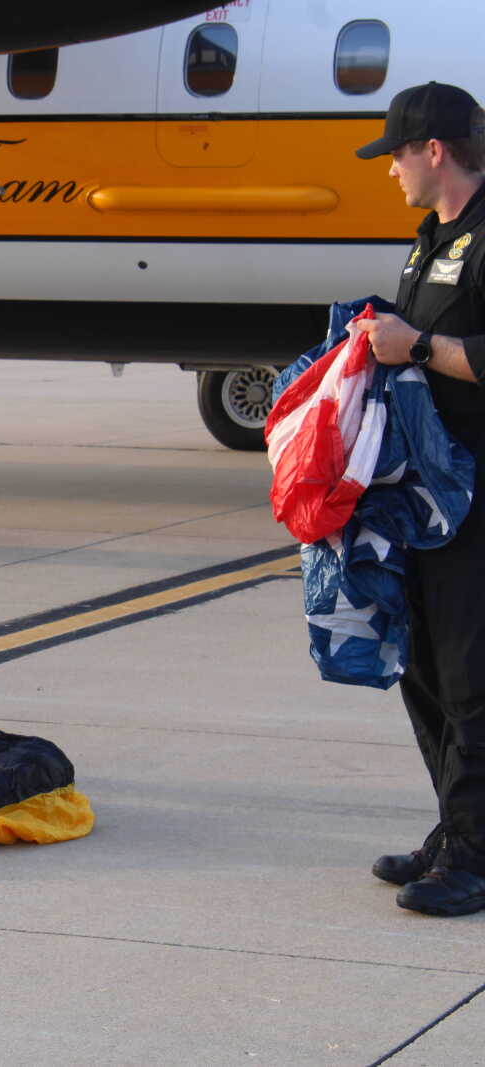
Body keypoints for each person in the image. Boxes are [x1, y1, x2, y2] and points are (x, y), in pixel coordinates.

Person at [350, 82, 485, 916]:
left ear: (433, 151)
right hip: (428, 496)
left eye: (397, 154)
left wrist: (420, 345)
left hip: (477, 493)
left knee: (473, 673)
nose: (392, 170)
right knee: (424, 664)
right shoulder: (429, 240)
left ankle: (474, 852)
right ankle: (455, 826)